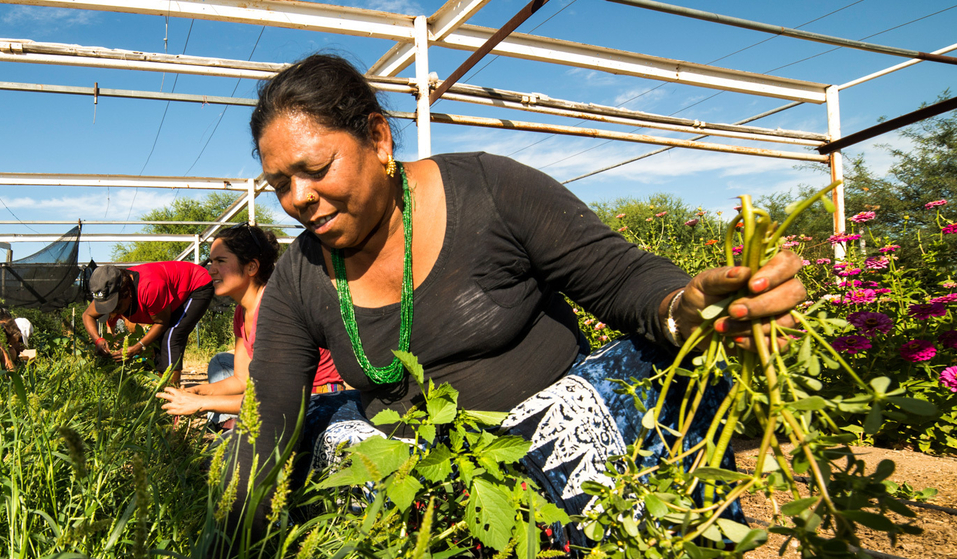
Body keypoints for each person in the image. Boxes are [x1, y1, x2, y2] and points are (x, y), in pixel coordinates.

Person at [234, 54, 807, 533]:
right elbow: (268, 415)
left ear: (378, 138)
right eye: (280, 184)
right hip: (417, 473)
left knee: (642, 370)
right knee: (328, 431)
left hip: (555, 446)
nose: (298, 199)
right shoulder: (301, 275)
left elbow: (619, 277)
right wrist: (229, 539)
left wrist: (683, 309)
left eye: (315, 168)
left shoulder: (489, 189)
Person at [157, 223, 348, 443]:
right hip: (272, 395)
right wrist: (196, 392)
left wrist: (201, 403)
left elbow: (277, 398)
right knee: (220, 362)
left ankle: (232, 427)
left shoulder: (277, 307)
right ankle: (232, 424)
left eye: (220, 261)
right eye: (211, 262)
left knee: (220, 456)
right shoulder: (241, 311)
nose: (211, 270)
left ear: (251, 267)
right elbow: (241, 379)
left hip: (313, 398)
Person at [82, 262, 214, 384]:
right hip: (170, 293)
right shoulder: (108, 292)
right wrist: (98, 340)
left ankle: (171, 392)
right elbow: (87, 315)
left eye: (116, 307)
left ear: (127, 293)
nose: (112, 313)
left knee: (171, 336)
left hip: (196, 285)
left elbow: (162, 323)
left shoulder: (149, 287)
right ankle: (161, 389)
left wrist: (138, 347)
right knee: (159, 341)